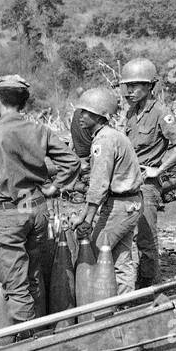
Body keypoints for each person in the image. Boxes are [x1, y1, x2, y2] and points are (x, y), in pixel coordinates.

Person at [0, 76, 80, 327]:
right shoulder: (39, 129)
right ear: (25, 102)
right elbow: (72, 162)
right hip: (37, 207)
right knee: (33, 274)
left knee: (15, 282)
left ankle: (29, 339)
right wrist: (54, 187)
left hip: (11, 213)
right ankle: (37, 326)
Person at [116, 59, 176, 289]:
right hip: (128, 182)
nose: (129, 91)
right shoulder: (130, 114)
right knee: (130, 235)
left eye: (136, 86)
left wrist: (159, 169)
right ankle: (138, 279)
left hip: (146, 185)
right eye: (127, 86)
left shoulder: (160, 113)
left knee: (146, 237)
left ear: (150, 87)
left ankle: (150, 284)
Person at [73, 87, 144, 295]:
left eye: (86, 112)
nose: (81, 117)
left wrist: (86, 218)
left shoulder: (103, 141)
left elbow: (99, 184)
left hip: (120, 206)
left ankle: (102, 311)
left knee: (95, 254)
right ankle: (124, 305)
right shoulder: (114, 135)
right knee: (122, 259)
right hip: (132, 204)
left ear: (100, 115)